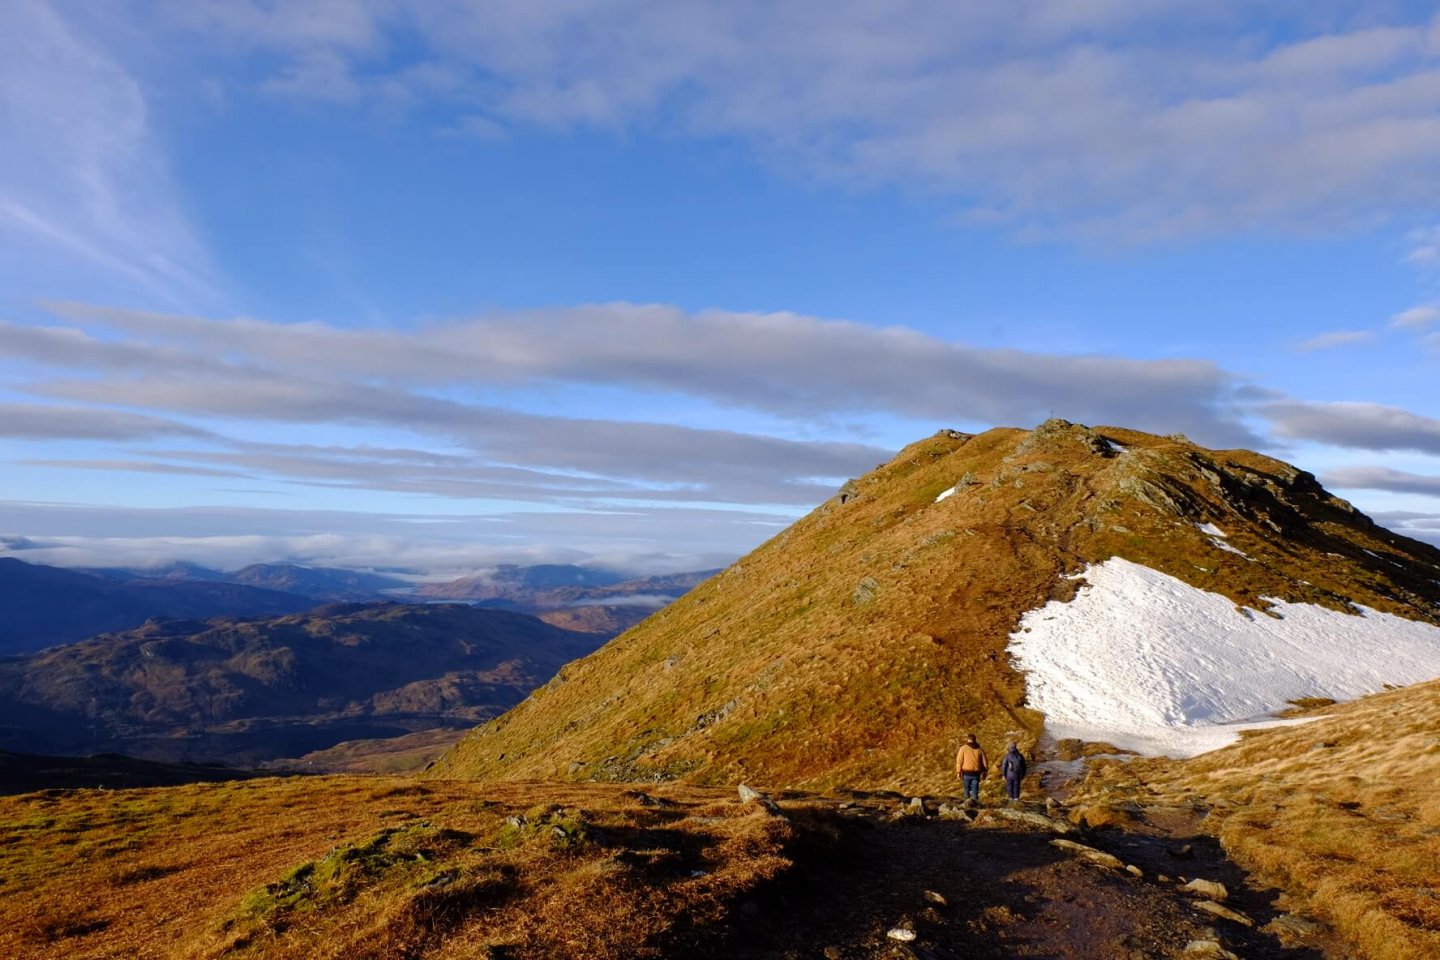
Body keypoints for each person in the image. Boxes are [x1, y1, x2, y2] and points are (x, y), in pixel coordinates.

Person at [954, 733, 988, 804]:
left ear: (968, 739)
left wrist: (958, 772)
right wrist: (985, 772)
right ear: (975, 740)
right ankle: (975, 803)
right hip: (976, 773)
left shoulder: (963, 748)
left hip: (966, 772)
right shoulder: (980, 750)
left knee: (966, 789)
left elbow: (959, 761)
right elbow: (985, 762)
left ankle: (967, 803)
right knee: (975, 789)